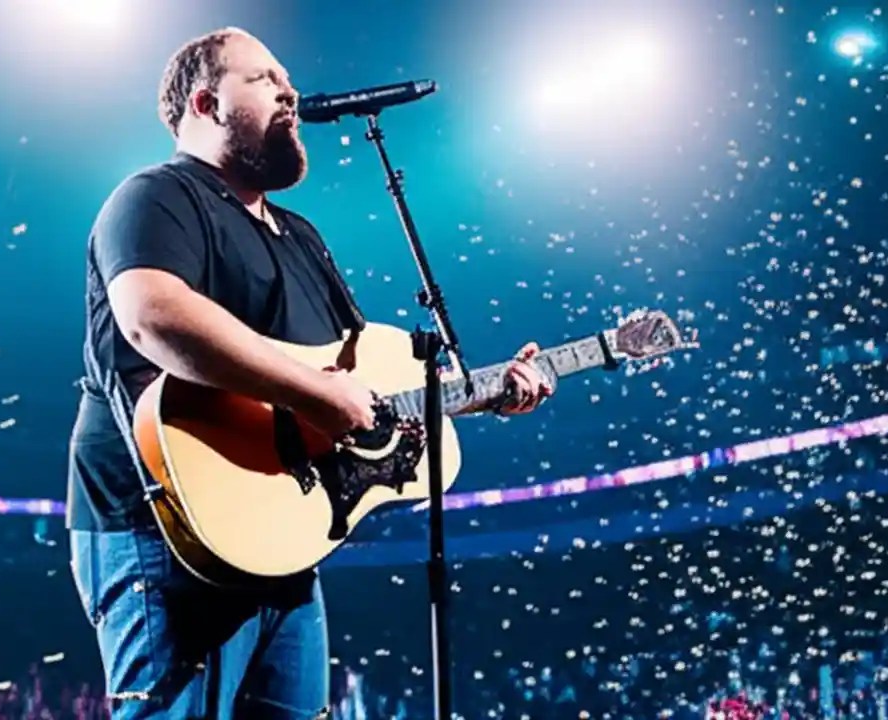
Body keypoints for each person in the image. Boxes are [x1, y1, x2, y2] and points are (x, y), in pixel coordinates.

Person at [66, 26, 556, 719]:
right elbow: (153, 318)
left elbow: (363, 394)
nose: (290, 91)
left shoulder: (301, 238)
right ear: (205, 103)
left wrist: (486, 393)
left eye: (286, 78)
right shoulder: (154, 197)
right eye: (264, 79)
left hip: (276, 536)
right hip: (163, 529)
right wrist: (314, 391)